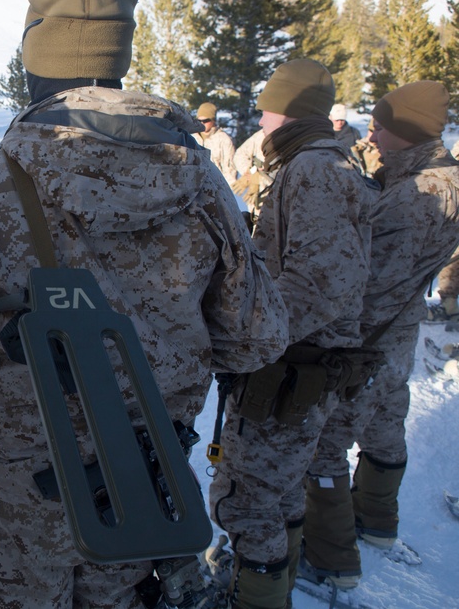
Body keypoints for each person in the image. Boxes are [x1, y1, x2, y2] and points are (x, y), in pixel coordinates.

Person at [0, 0, 288, 608]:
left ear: (35, 51)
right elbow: (258, 338)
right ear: (118, 52)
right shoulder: (202, 184)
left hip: (13, 523)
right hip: (141, 507)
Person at [206, 59, 372, 609]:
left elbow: (324, 283)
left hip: (289, 366)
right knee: (275, 493)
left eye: (267, 106)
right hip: (297, 366)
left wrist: (246, 337)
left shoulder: (315, 171)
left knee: (248, 499)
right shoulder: (317, 163)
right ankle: (273, 575)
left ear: (289, 112)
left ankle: (254, 594)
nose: (260, 116)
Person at [305, 81, 459, 586]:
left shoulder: (419, 195)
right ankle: (377, 522)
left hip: (369, 340)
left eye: (381, 124)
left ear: (407, 129)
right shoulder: (431, 177)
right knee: (386, 424)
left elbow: (369, 283)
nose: (371, 131)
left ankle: (330, 558)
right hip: (398, 333)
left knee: (329, 435)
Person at [231, 128, 271, 224]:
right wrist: (250, 173)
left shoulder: (291, 140)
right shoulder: (261, 135)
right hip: (255, 196)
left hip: (273, 198)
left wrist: (260, 179)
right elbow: (239, 155)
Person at [194, 101, 238, 184]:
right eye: (199, 121)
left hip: (216, 187)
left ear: (213, 120)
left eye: (206, 121)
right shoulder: (191, 138)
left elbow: (229, 170)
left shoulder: (224, 140)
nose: (202, 123)